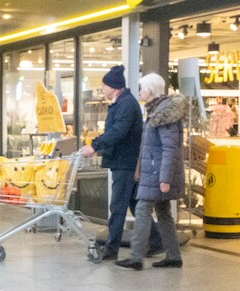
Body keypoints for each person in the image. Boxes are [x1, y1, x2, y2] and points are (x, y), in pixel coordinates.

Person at [79, 66, 161, 262]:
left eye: (104, 85)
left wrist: (94, 146)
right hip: (125, 161)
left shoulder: (126, 105)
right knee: (134, 204)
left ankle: (111, 248)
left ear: (114, 87)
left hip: (125, 163)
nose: (102, 89)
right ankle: (157, 241)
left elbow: (118, 131)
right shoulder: (122, 103)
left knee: (118, 206)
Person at [118, 73, 186, 271]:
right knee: (163, 212)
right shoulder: (157, 111)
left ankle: (136, 257)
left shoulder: (164, 115)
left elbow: (170, 149)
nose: (140, 91)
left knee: (142, 210)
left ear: (150, 90)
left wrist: (165, 179)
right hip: (154, 172)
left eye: (142, 88)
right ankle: (173, 256)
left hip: (157, 174)